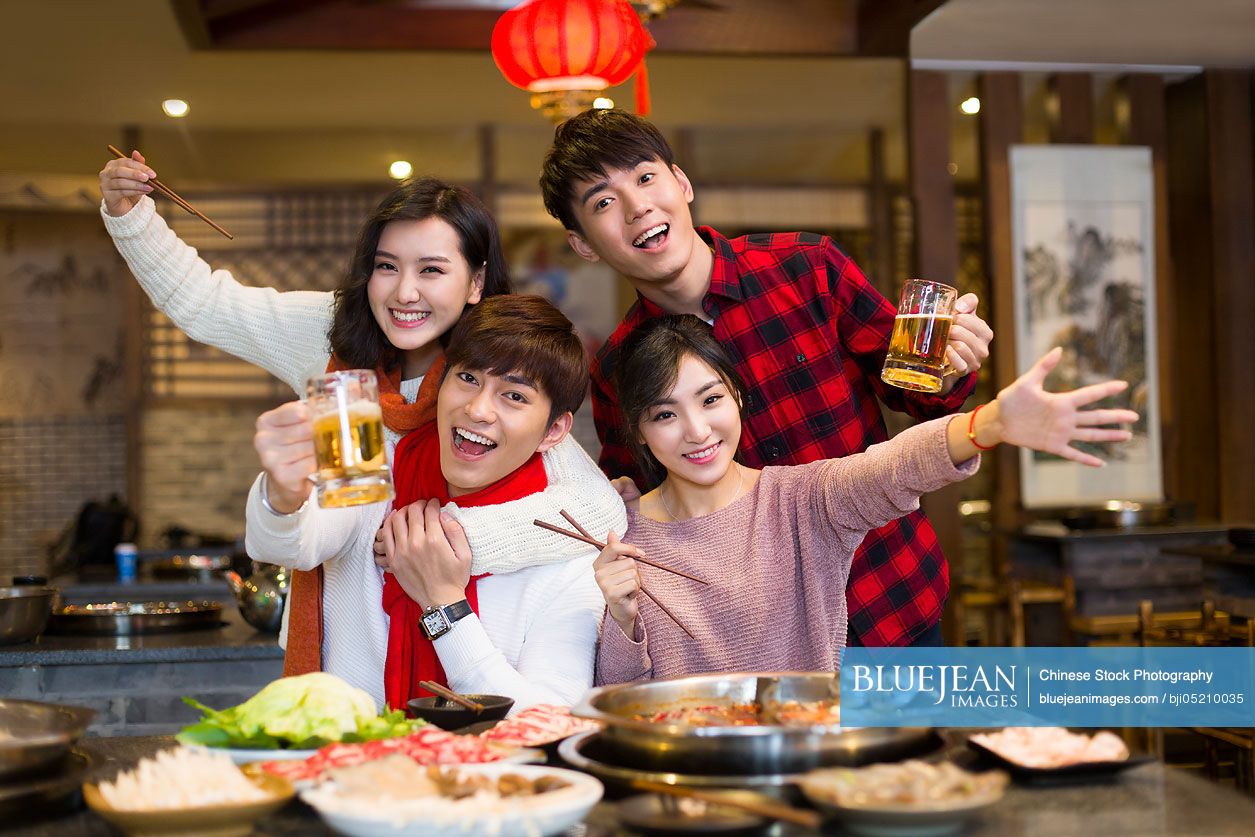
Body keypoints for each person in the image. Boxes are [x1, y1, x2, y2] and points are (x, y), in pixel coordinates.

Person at [98, 158, 624, 670]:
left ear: (475, 282)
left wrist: (440, 543)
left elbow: (594, 513)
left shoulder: (491, 373)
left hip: (462, 652)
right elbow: (206, 304)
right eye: (386, 266)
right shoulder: (342, 370)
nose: (405, 293)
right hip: (343, 657)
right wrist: (130, 216)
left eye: (432, 270)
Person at [539, 108, 994, 648]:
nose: (638, 207)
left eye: (645, 177)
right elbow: (648, 511)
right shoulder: (619, 367)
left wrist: (948, 366)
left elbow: (918, 394)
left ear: (680, 182)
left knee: (920, 736)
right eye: (604, 202)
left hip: (891, 593)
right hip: (764, 632)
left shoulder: (807, 267)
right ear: (583, 243)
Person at [592, 316, 1137, 684]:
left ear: (737, 398)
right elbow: (620, 698)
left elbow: (892, 466)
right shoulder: (620, 534)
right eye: (665, 414)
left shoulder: (799, 502)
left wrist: (992, 422)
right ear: (638, 431)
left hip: (809, 764)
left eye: (711, 399)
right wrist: (620, 617)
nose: (696, 430)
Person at [247, 295, 609, 711]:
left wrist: (442, 603)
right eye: (468, 379)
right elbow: (291, 544)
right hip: (355, 764)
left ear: (554, 430)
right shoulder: (374, 458)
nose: (477, 409)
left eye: (514, 396)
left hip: (490, 775)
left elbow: (546, 717)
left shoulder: (570, 558)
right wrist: (284, 491)